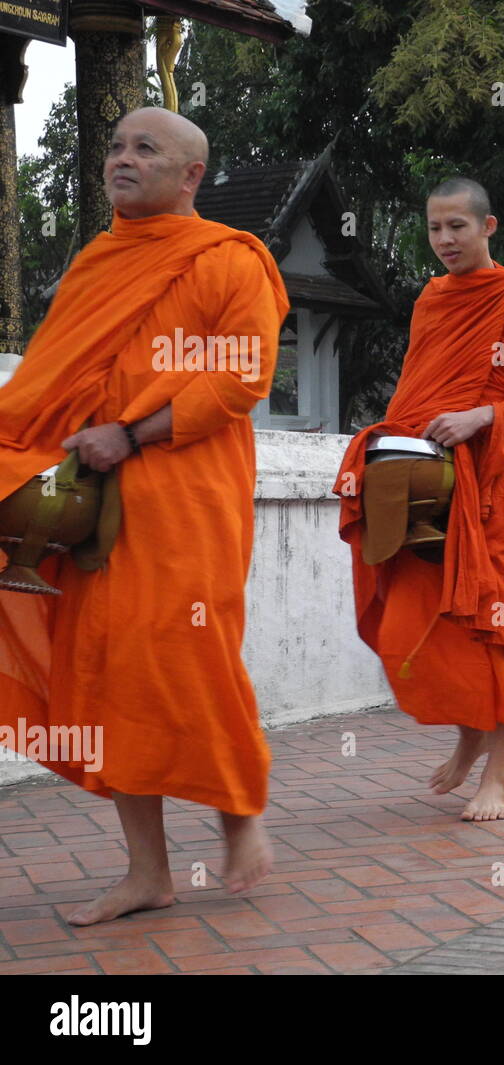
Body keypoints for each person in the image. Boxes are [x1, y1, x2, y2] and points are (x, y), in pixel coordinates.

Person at [0, 108, 288, 924]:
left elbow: (240, 379)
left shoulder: (230, 259)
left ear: (191, 174)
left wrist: (130, 432)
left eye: (144, 149)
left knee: (187, 656)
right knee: (107, 672)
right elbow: (54, 378)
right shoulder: (99, 259)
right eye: (116, 147)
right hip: (94, 499)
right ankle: (147, 871)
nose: (121, 159)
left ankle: (240, 815)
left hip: (184, 495)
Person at [334, 177, 504, 821]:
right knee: (431, 616)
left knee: (501, 624)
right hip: (434, 479)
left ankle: (499, 773)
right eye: (434, 229)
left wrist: (482, 417)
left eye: (456, 228)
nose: (443, 241)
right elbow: (415, 389)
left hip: (502, 480)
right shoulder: (431, 301)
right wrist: (389, 446)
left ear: (488, 226)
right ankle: (468, 734)